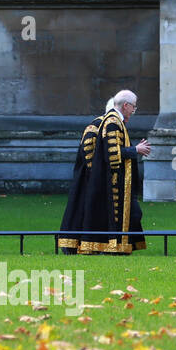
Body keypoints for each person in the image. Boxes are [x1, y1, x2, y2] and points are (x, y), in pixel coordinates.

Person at [58, 89, 150, 254]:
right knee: (88, 214)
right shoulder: (107, 123)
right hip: (99, 180)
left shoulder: (113, 123)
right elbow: (103, 154)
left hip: (106, 179)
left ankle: (114, 246)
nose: (134, 112)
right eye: (133, 107)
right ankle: (94, 247)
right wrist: (97, 175)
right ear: (125, 106)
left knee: (120, 214)